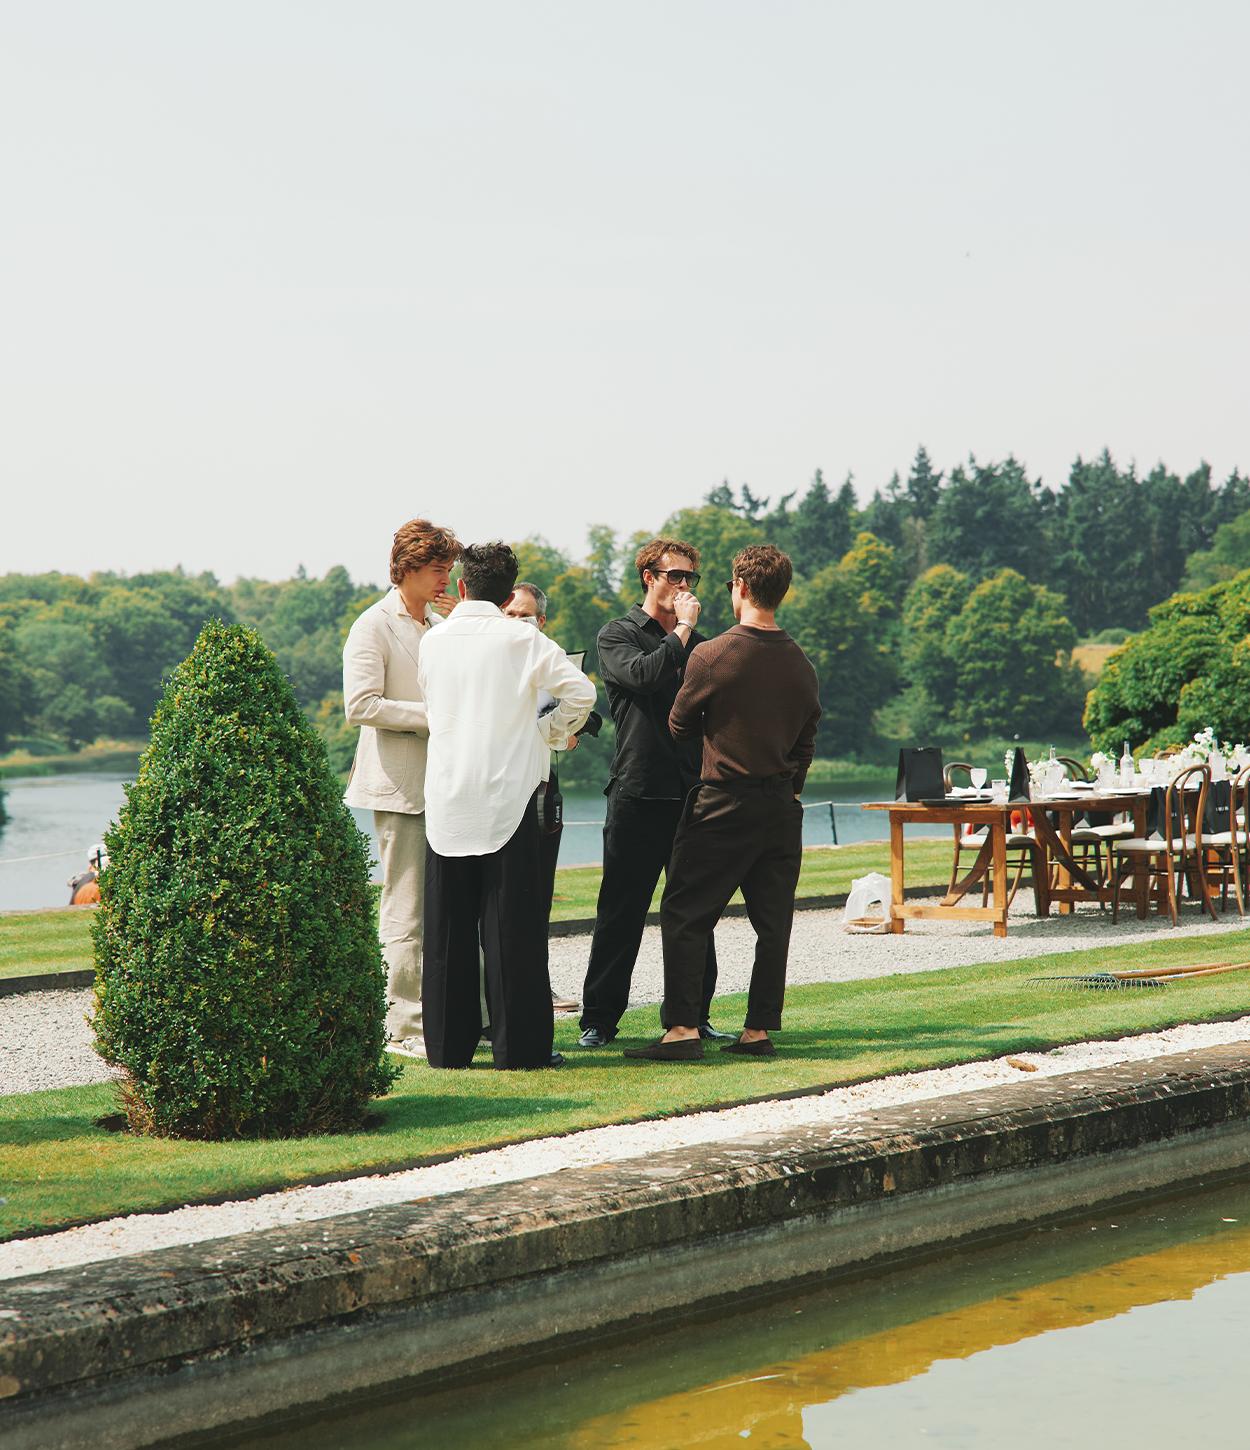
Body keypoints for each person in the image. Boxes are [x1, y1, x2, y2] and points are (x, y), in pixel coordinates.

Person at [625, 544, 820, 1063]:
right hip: (781, 807)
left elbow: (679, 723)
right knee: (773, 923)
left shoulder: (712, 654)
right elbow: (806, 738)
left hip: (723, 801)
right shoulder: (801, 662)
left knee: (685, 913)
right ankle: (758, 1030)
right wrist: (792, 786)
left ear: (741, 587)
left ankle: (682, 1028)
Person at [419, 543, 595, 1070]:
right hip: (509, 800)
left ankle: (447, 1049)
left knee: (446, 933)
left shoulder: (433, 641)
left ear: (462, 586)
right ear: (504, 595)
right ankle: (519, 1049)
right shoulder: (525, 639)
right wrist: (551, 731)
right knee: (511, 931)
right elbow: (582, 693)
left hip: (448, 796)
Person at [577, 538, 733, 1048]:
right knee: (620, 912)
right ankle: (599, 1020)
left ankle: (692, 1016)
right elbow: (643, 678)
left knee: (694, 914)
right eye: (675, 576)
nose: (684, 585)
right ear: (649, 576)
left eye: (690, 577)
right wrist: (682, 631)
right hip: (637, 792)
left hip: (693, 794)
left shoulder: (703, 645)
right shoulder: (618, 634)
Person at [342, 517, 462, 1059]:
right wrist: (435, 718)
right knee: (406, 907)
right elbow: (361, 705)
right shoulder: (372, 625)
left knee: (453, 907)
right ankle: (404, 1027)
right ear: (407, 568)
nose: (445, 579)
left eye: (448, 569)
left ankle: (457, 1015)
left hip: (451, 786)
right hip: (400, 787)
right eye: (438, 569)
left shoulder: (441, 624)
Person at [502, 581, 597, 1013]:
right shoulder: (489, 658)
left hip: (541, 786)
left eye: (524, 615)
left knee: (538, 893)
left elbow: (571, 725)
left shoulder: (552, 660)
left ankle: (539, 986)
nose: (516, 622)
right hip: (497, 786)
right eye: (509, 614)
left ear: (541, 621)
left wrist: (561, 732)